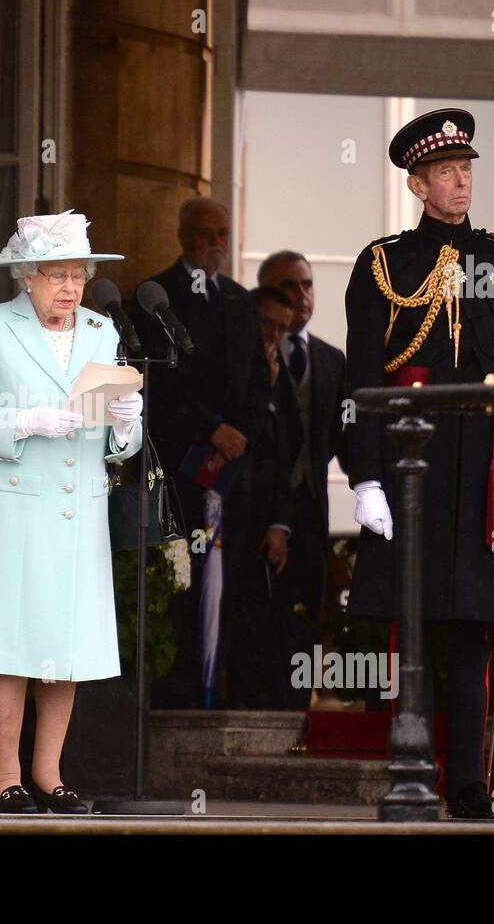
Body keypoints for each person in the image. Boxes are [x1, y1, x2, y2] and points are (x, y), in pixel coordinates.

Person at [343, 109, 494, 819]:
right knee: (414, 618)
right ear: (417, 183)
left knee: (470, 627)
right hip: (411, 457)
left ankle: (465, 782)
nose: (461, 181)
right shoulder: (383, 263)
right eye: (445, 172)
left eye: (467, 169)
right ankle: (409, 770)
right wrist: (363, 474)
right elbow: (362, 380)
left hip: (483, 463)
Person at [0, 211, 142, 813]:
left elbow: (119, 440)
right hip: (15, 510)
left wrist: (127, 427)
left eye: (78, 275)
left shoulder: (102, 331)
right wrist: (22, 422)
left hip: (78, 508)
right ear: (26, 276)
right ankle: (5, 774)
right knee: (11, 644)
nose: (69, 288)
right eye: (56, 275)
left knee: (67, 644)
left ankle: (49, 773)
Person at [135, 197, 266, 708]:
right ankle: (178, 697)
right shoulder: (156, 296)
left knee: (229, 587)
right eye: (206, 233)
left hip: (233, 470)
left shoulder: (238, 299)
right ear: (184, 236)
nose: (216, 243)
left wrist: (240, 435)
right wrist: (210, 429)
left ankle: (222, 691)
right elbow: (158, 385)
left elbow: (259, 379)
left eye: (223, 233)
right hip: (178, 469)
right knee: (180, 584)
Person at [224, 285, 307, 708]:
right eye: (265, 324)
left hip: (266, 514)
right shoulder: (233, 364)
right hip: (227, 509)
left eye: (281, 328)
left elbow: (289, 453)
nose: (272, 335)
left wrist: (279, 522)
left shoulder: (282, 373)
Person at [257, 251, 347, 631]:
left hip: (313, 509)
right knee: (262, 624)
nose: (300, 294)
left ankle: (301, 691)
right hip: (260, 512)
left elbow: (341, 436)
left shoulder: (332, 359)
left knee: (308, 621)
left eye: (306, 284)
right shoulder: (252, 353)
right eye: (288, 285)